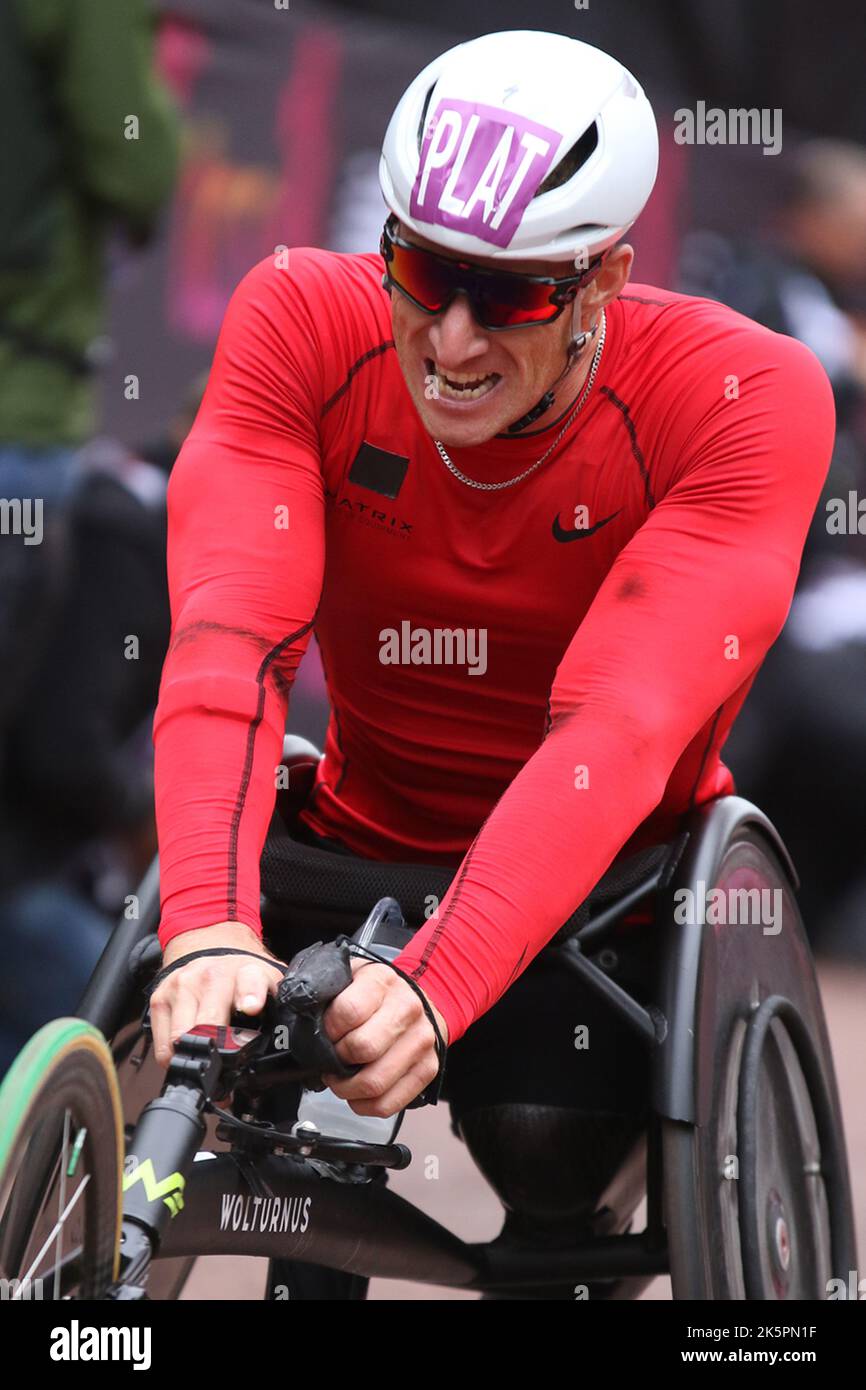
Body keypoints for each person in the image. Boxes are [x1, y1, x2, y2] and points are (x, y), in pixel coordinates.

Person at [148, 31, 835, 1299]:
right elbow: (229, 643)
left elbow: (618, 728)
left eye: (511, 296)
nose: (450, 341)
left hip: (605, 900)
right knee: (173, 1044)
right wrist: (204, 924)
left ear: (605, 278)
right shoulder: (300, 315)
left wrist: (439, 986)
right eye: (420, 271)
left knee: (545, 1146)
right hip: (357, 832)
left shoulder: (744, 394)